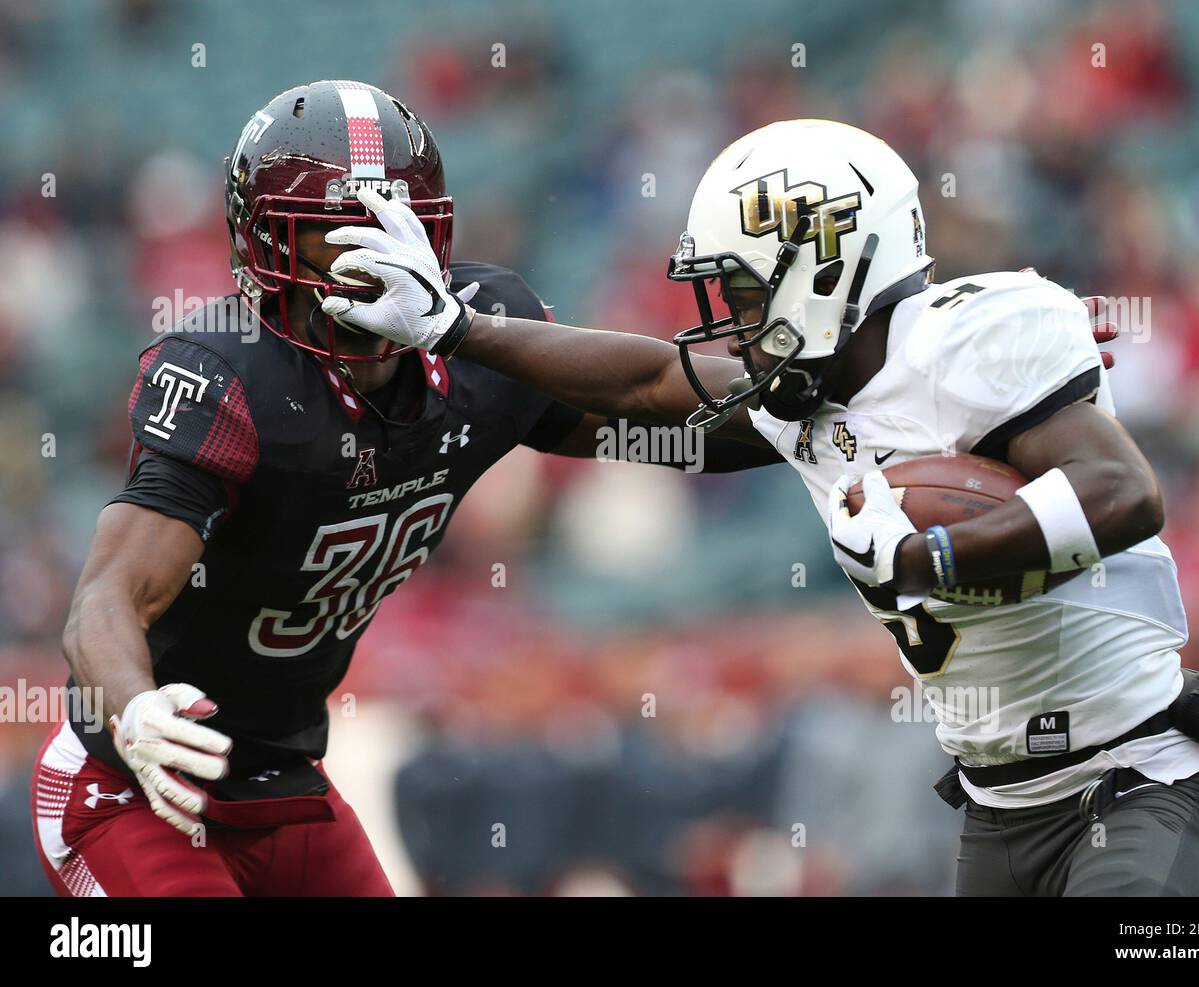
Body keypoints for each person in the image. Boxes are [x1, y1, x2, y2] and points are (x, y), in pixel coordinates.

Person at [328, 119, 1199, 896]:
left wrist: (930, 558)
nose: (728, 315)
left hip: (1137, 772)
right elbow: (649, 379)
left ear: (825, 263)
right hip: (1001, 805)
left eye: (739, 287)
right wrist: (459, 330)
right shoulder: (803, 406)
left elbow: (1123, 492)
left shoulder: (978, 336)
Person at [32, 80, 776, 897]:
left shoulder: (480, 340)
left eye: (394, 229)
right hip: (132, 792)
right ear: (264, 244)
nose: (364, 263)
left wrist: (814, 418)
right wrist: (136, 711)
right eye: (327, 235)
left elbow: (665, 418)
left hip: (285, 784)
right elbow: (106, 595)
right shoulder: (229, 375)